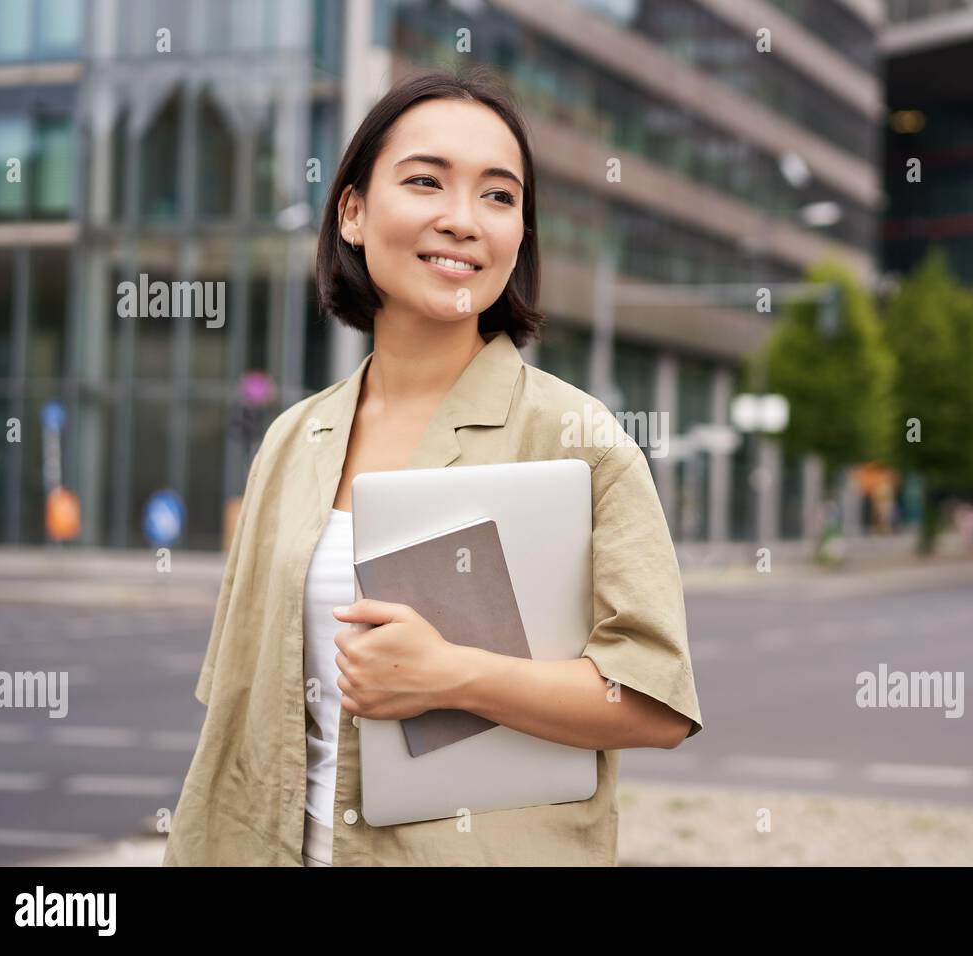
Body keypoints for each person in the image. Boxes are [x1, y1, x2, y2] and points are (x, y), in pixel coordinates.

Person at [163, 68, 704, 867]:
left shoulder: (578, 438)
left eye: (498, 196)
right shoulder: (293, 438)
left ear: (520, 233)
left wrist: (453, 676)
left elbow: (655, 701)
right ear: (352, 210)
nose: (463, 221)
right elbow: (238, 718)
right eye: (425, 182)